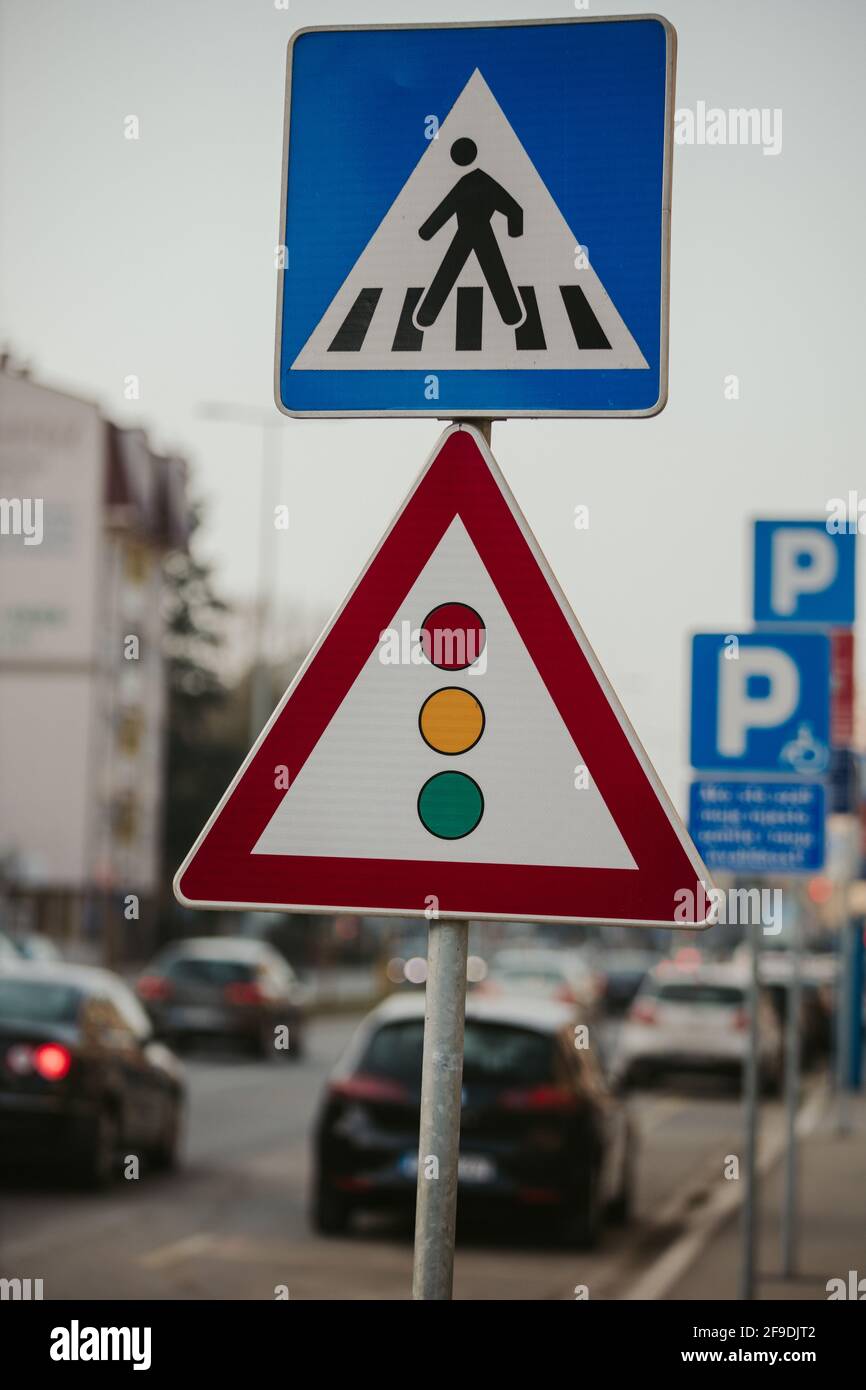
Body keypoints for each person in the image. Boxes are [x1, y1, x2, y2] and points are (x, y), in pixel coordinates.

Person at [415, 137, 525, 329]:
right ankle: (512, 315)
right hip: (476, 233)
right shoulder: (480, 182)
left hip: (470, 233)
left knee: (450, 272)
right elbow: (514, 209)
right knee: (493, 272)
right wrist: (513, 233)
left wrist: (427, 232)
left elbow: (446, 208)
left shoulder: (470, 182)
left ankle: (427, 315)